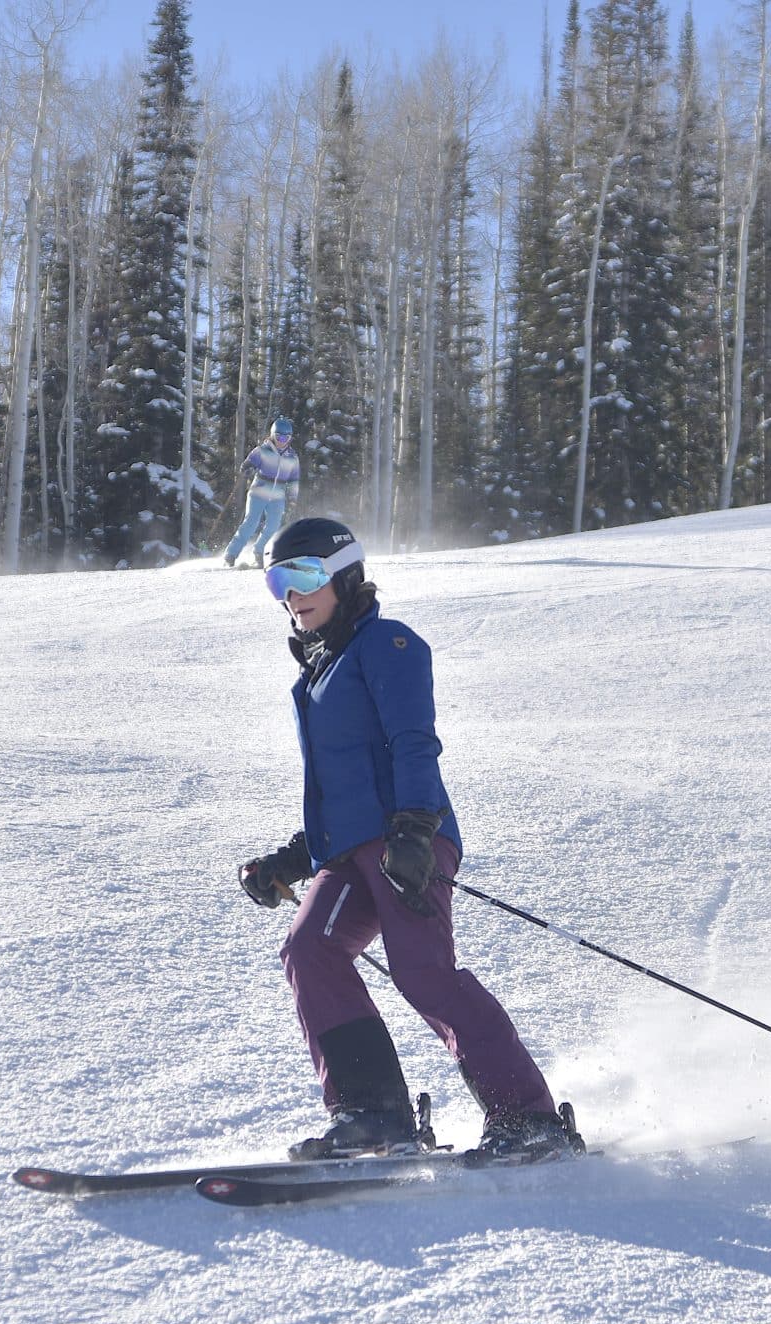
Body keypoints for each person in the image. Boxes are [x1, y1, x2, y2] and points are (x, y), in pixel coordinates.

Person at [237, 517, 582, 1160]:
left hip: (407, 841)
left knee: (422, 973)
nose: (291, 593)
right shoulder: (313, 678)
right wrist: (293, 855)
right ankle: (373, 1112)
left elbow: (413, 744)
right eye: (277, 580)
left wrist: (417, 831)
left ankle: (528, 1118)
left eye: (305, 575)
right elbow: (339, 790)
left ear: (344, 574)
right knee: (309, 948)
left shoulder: (387, 644)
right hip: (346, 851)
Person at [223, 417, 302, 568]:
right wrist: (248, 468)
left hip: (278, 496)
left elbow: (294, 480)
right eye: (279, 437)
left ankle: (259, 551)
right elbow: (246, 464)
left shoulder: (292, 457)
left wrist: (292, 498)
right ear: (273, 435)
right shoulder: (262, 450)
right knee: (251, 523)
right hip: (259, 491)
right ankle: (231, 554)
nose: (282, 441)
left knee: (273, 525)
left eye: (286, 438)